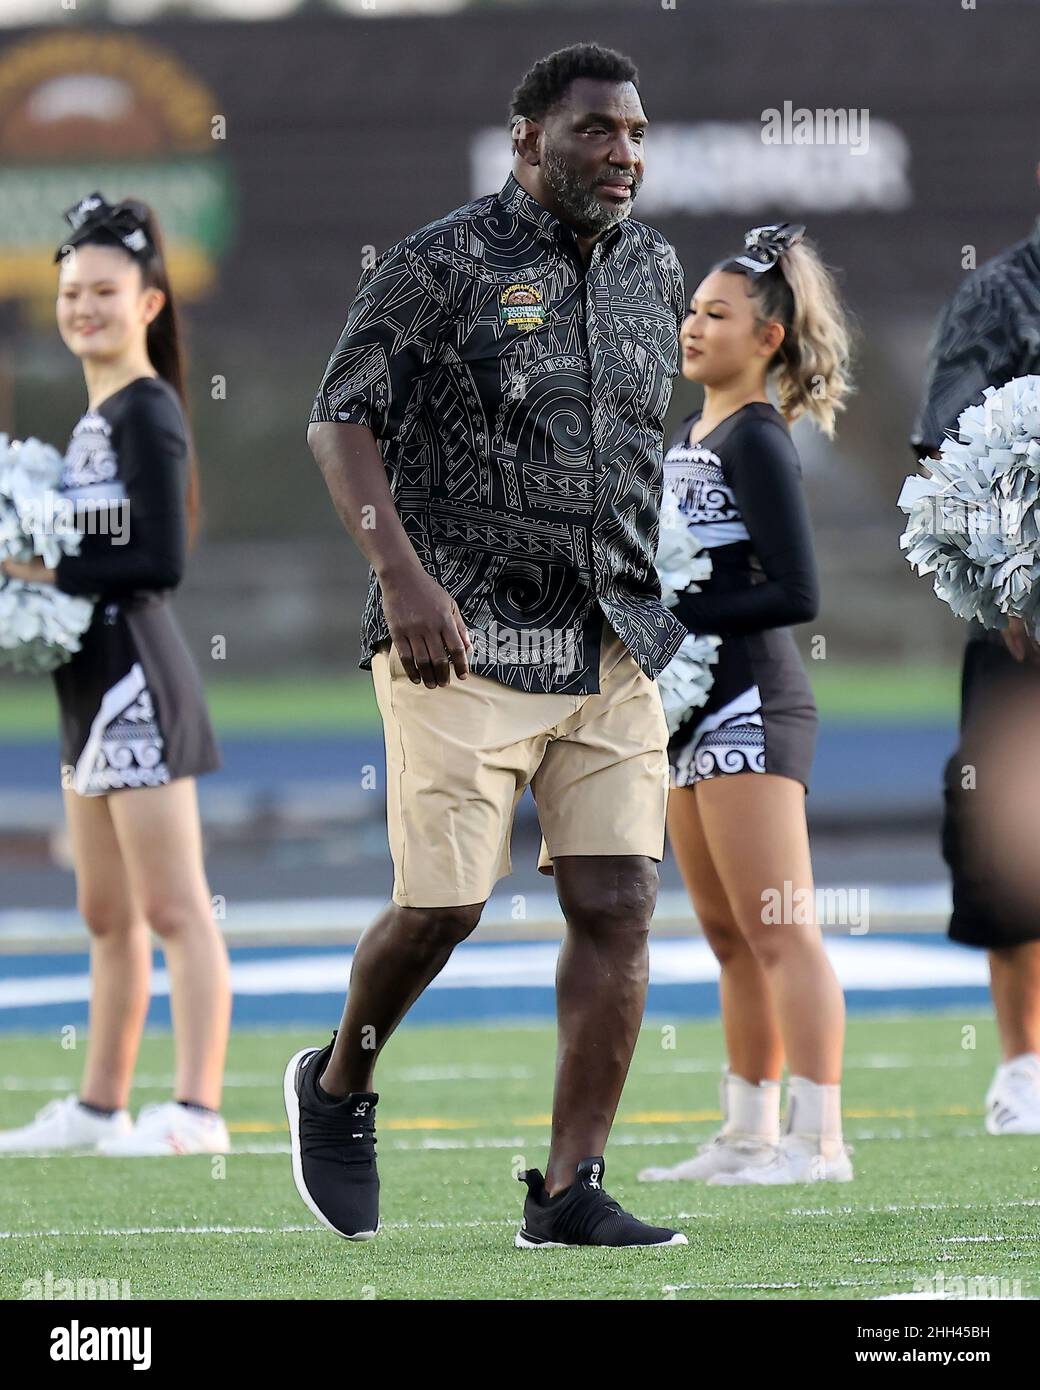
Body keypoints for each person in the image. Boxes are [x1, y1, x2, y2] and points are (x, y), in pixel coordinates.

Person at [286, 43, 692, 1248]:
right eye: (594, 132)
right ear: (528, 138)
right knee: (443, 907)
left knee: (617, 901)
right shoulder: (439, 262)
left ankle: (568, 1190)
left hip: (611, 638)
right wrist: (399, 576)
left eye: (634, 133)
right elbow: (338, 421)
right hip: (455, 631)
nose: (621, 154)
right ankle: (336, 1084)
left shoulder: (656, 269)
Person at [0, 193, 231, 1158]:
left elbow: (160, 563)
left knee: (177, 906)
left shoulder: (147, 409)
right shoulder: (95, 416)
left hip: (136, 680)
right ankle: (100, 1109)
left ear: (147, 303)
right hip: (84, 687)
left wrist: (37, 567)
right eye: (70, 292)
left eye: (105, 290)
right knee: (105, 913)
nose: (83, 306)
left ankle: (196, 1113)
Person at [638, 224, 855, 1186]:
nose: (693, 325)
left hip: (749, 709)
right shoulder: (693, 434)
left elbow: (796, 592)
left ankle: (819, 1143)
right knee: (728, 937)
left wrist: (676, 608)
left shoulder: (758, 436)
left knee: (779, 926)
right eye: (691, 309)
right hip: (690, 712)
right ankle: (747, 1134)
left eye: (716, 314)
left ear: (767, 338)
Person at [910, 180, 1040, 1134]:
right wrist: (1006, 590)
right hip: (1023, 624)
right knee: (1014, 838)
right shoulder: (1000, 295)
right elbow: (947, 449)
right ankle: (1025, 1067)